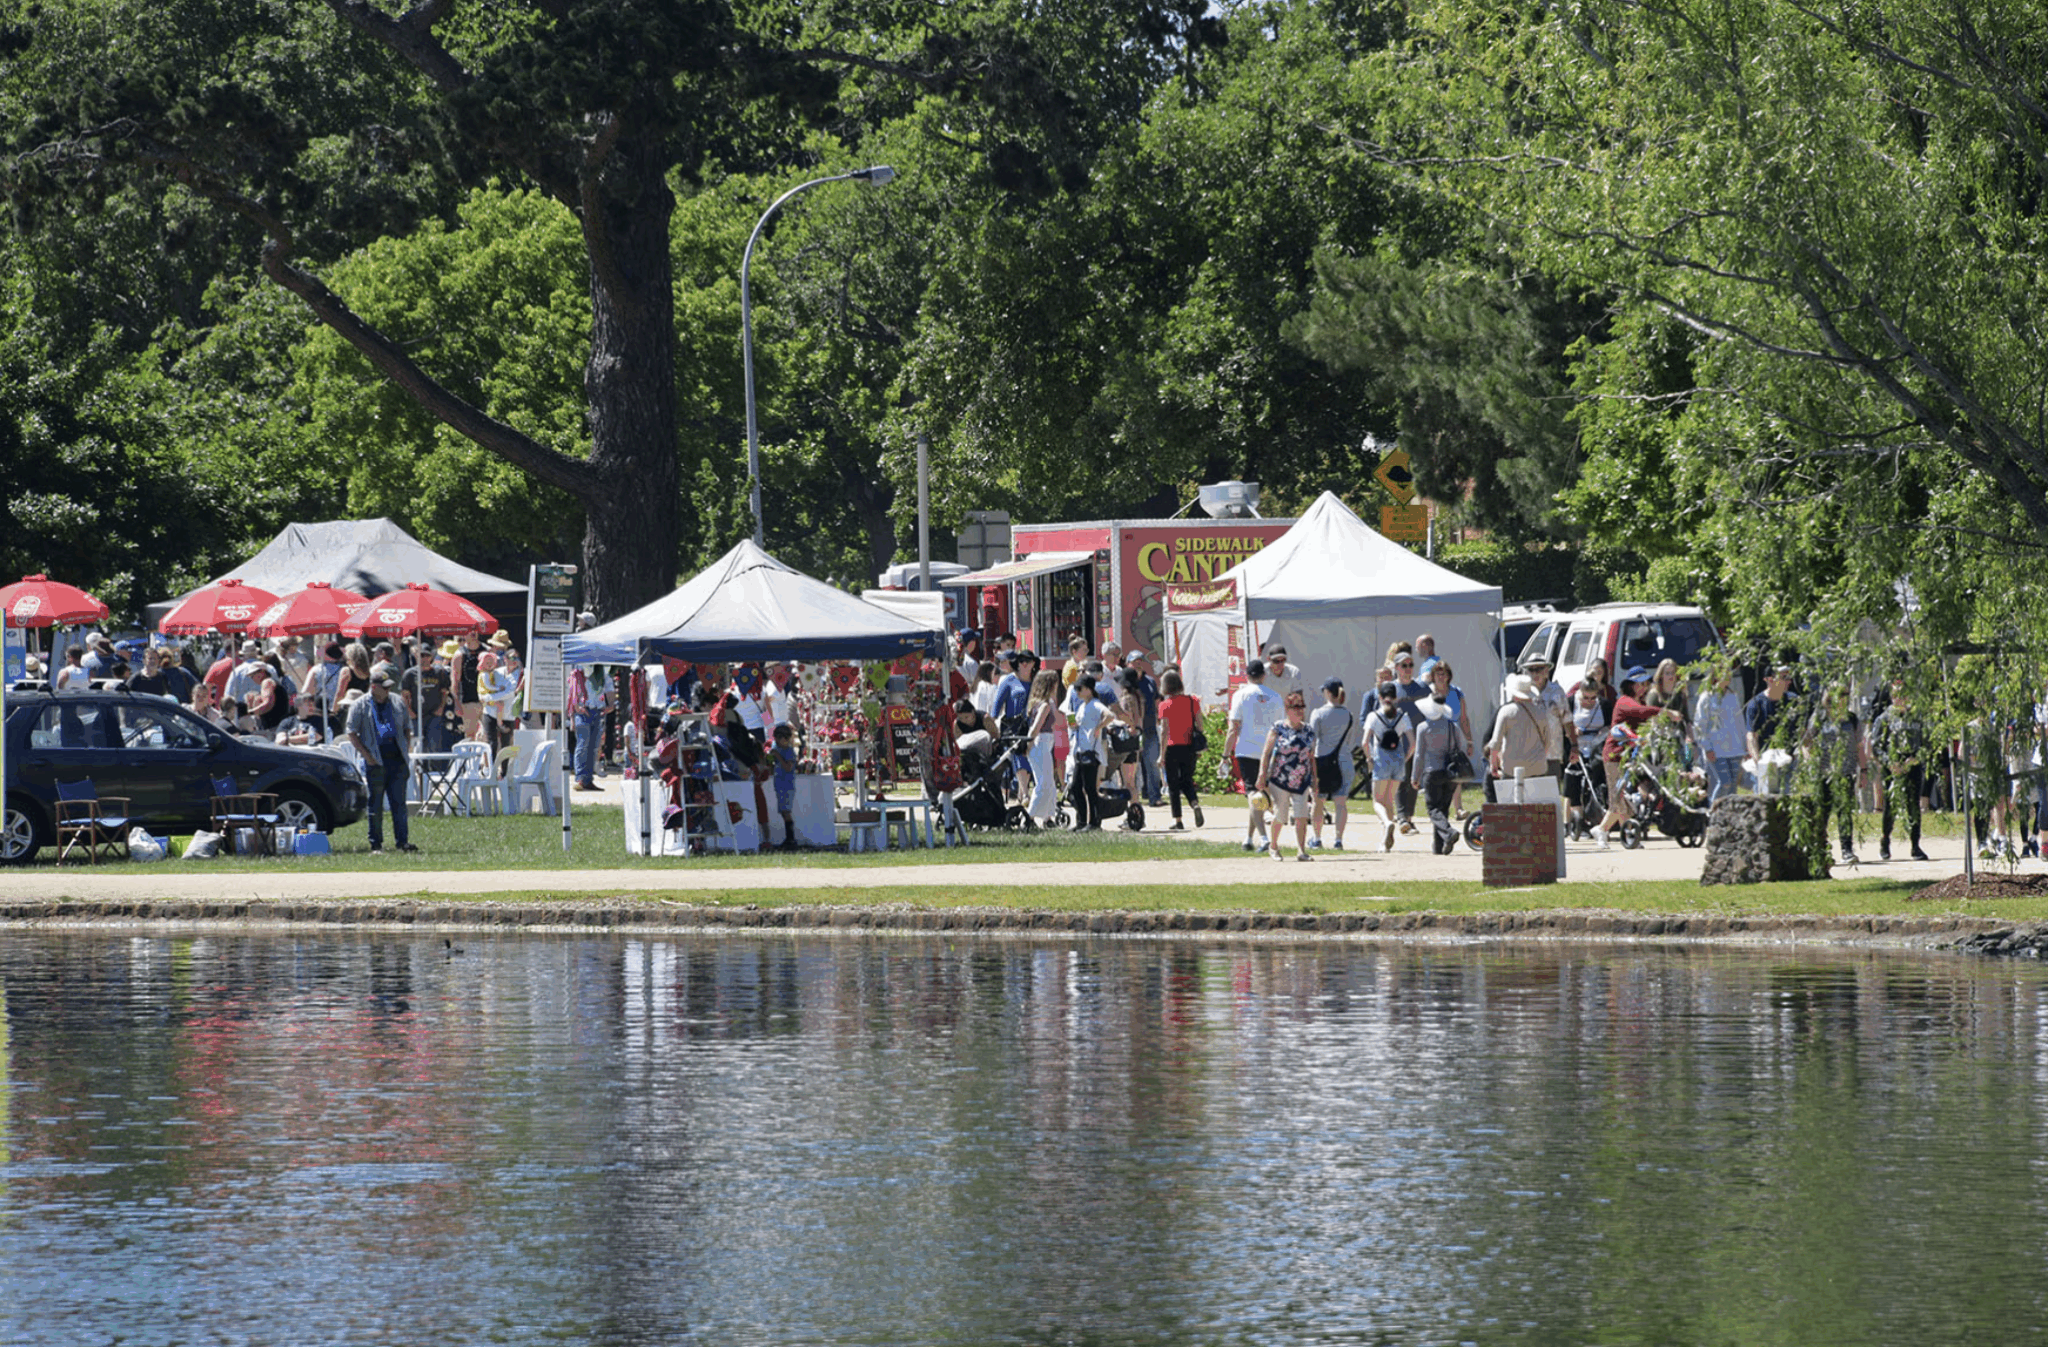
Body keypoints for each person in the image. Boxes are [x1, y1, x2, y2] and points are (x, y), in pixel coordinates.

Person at [346, 671, 418, 854]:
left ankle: (403, 842)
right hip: (375, 762)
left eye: (389, 686)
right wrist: (367, 756)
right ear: (374, 687)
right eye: (384, 687)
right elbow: (352, 733)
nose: (388, 690)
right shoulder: (360, 705)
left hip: (397, 760)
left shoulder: (397, 701)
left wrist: (406, 749)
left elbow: (407, 728)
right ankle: (376, 844)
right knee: (375, 805)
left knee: (399, 804)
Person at [1409, 666, 1473, 855]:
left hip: (1432, 771)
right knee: (1443, 809)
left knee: (1433, 809)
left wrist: (1415, 776)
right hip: (1451, 773)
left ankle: (1449, 833)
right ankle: (1440, 846)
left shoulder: (1422, 727)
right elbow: (1461, 747)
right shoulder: (1452, 726)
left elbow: (1419, 754)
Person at [1224, 658, 1283, 852]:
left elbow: (1233, 727)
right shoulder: (1275, 696)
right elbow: (1281, 726)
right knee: (1258, 793)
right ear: (1264, 675)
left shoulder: (1240, 695)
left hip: (1247, 748)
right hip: (1269, 748)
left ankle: (1264, 837)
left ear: (1247, 675)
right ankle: (1248, 838)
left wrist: (1225, 755)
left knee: (1252, 793)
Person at [1257, 690, 1320, 861]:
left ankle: (1301, 850)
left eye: (1302, 707)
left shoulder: (1308, 730)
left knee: (1301, 816)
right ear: (1287, 709)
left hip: (1301, 780)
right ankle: (1274, 846)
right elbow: (1266, 752)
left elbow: (1311, 756)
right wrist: (1262, 774)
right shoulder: (1278, 728)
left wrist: (1315, 779)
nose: (1300, 710)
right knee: (1280, 815)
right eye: (1295, 707)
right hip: (1280, 779)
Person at [1871, 686, 1929, 862]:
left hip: (1912, 764)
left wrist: (1916, 758)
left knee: (1913, 805)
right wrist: (1889, 762)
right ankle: (1885, 839)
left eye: (1903, 694)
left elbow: (1927, 743)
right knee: (1891, 805)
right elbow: (1876, 746)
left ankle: (1915, 845)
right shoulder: (1884, 719)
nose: (1900, 699)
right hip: (1893, 765)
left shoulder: (1917, 718)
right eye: (1896, 695)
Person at [1810, 683, 1866, 864]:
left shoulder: (1852, 719)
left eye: (1846, 694)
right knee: (1822, 812)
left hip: (1846, 771)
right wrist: (1812, 762)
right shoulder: (1820, 718)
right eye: (1840, 694)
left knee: (1844, 812)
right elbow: (1806, 743)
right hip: (1824, 772)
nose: (1844, 698)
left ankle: (1847, 850)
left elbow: (1859, 746)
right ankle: (1820, 850)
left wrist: (1863, 770)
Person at [1361, 681, 1414, 851]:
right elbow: (1412, 743)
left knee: (1377, 801)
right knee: (1389, 801)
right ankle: (1386, 842)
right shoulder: (1402, 716)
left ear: (1380, 698)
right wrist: (1405, 759)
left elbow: (1365, 743)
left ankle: (1387, 823)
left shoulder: (1373, 716)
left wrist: (1369, 759)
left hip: (1381, 760)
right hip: (1398, 760)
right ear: (1396, 698)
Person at [1486, 673, 1551, 798]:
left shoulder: (1506, 711)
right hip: (1537, 767)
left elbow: (1495, 743)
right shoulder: (1540, 712)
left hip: (1511, 768)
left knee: (1510, 808)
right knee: (1536, 807)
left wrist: (1493, 765)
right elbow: (1547, 743)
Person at [1157, 669, 1205, 830]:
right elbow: (1200, 725)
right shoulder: (1192, 701)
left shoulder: (1164, 705)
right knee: (1187, 780)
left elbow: (1164, 731)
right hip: (1189, 745)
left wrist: (1161, 755)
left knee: (1173, 785)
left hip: (1172, 747)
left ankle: (1178, 820)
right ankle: (1194, 803)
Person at [1693, 665, 1749, 804]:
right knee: (1724, 783)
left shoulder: (1732, 696)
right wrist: (1706, 747)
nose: (1728, 676)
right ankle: (1713, 813)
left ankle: (1730, 815)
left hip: (1735, 749)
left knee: (1733, 786)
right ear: (1715, 676)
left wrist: (1745, 746)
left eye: (1729, 672)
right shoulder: (1707, 697)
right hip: (1716, 750)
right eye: (1723, 673)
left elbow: (1739, 722)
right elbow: (1700, 724)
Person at [1309, 679, 1353, 850]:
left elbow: (1312, 740)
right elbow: (1349, 739)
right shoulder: (1348, 714)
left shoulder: (1318, 714)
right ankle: (1338, 840)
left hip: (1322, 761)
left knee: (1318, 802)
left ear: (1327, 692)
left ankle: (1317, 838)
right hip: (1344, 760)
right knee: (1341, 803)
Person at [1065, 675, 1109, 830]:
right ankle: (1082, 821)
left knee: (1090, 789)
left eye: (1080, 688)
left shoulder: (1096, 704)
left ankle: (1094, 822)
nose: (1077, 692)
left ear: (1089, 689)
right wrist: (1072, 723)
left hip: (1091, 752)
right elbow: (1078, 725)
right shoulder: (1083, 706)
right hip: (1080, 752)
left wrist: (1099, 727)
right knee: (1076, 787)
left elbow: (1110, 715)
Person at [1744, 665, 1799, 782]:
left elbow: (1802, 732)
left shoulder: (1794, 701)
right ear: (1769, 680)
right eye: (1784, 677)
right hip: (1766, 760)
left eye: (1790, 677)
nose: (1789, 681)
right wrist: (1758, 762)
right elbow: (1751, 736)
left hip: (1789, 761)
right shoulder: (1756, 704)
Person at [1024, 669, 1064, 825]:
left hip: (1045, 743)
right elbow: (1036, 728)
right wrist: (1028, 745)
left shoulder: (1043, 703)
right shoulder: (1045, 705)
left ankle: (1048, 816)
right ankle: (1030, 816)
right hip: (1040, 743)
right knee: (1044, 783)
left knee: (1049, 783)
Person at [1128, 649, 1165, 807]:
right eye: (1135, 661)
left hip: (1149, 728)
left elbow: (1157, 700)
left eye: (1141, 660)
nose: (1138, 663)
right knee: (1132, 767)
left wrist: (1159, 718)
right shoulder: (1126, 682)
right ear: (1129, 663)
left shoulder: (1150, 681)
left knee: (1152, 762)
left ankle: (1154, 796)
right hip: (1132, 729)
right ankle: (1132, 798)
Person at [569, 663, 612, 791]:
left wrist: (610, 705)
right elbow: (572, 693)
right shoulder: (579, 670)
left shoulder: (603, 672)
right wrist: (573, 714)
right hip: (582, 712)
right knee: (583, 744)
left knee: (593, 746)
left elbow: (609, 689)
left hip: (597, 711)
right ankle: (581, 778)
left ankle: (588, 780)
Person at [771, 722, 801, 848]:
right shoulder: (776, 747)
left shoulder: (788, 751)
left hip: (786, 784)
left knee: (786, 811)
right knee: (783, 811)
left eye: (779, 740)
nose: (777, 742)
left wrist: (777, 756)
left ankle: (791, 838)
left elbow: (788, 767)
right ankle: (788, 837)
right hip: (779, 783)